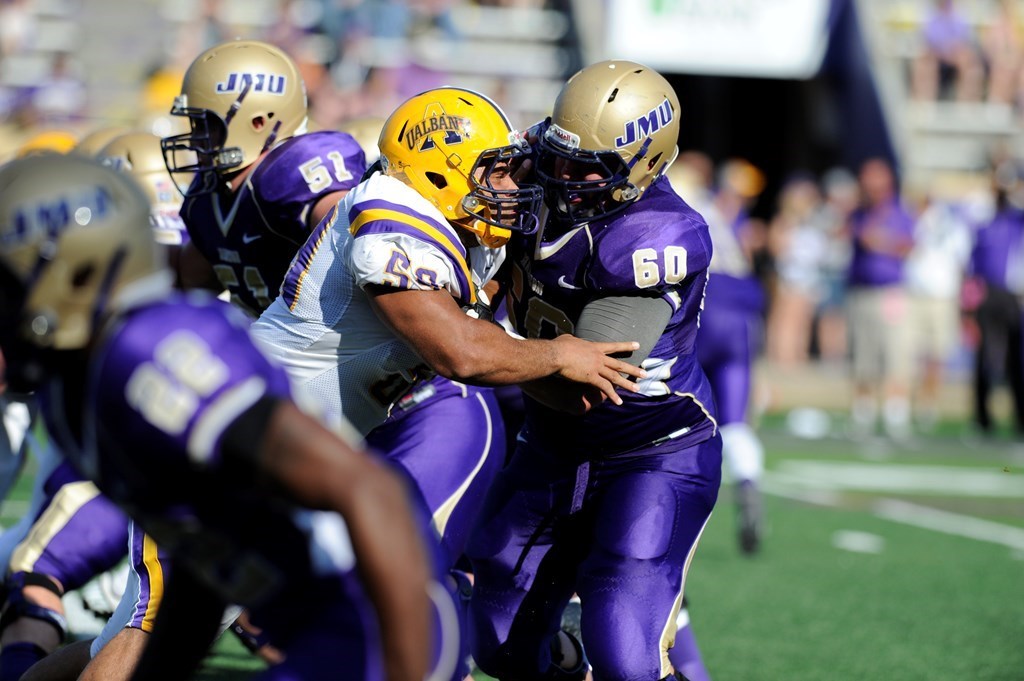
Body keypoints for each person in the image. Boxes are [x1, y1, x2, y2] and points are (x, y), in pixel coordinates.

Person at [0, 152, 455, 681]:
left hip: (376, 619)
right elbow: (204, 565)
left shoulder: (151, 352)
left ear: (74, 276)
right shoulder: (73, 396)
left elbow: (366, 490)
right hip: (306, 620)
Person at [465, 60, 721, 681]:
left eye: (587, 168)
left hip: (650, 452)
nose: (562, 176)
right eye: (556, 156)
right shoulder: (537, 173)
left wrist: (467, 346)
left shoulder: (657, 234)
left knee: (625, 653)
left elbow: (579, 387)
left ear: (645, 165)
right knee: (499, 644)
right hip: (550, 447)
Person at [160, 38, 366, 316]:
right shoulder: (211, 193)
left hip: (336, 346)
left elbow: (359, 241)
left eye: (205, 125)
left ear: (258, 122)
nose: (195, 138)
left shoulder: (290, 173)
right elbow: (189, 278)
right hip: (272, 345)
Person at [692, 158, 768, 557]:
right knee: (736, 422)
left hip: (708, 312)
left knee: (683, 413)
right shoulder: (737, 228)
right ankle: (750, 483)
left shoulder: (695, 209)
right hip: (740, 322)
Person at [845, 157, 916, 441]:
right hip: (861, 291)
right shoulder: (859, 213)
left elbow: (908, 245)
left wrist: (880, 241)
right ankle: (863, 413)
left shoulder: (899, 212)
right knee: (863, 356)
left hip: (890, 292)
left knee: (895, 354)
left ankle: (896, 414)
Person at [965, 159, 1024, 436]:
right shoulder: (983, 218)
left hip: (1015, 296)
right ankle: (982, 420)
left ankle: (1019, 420)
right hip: (988, 293)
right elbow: (970, 262)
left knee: (1018, 361)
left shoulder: (1017, 218)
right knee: (986, 358)